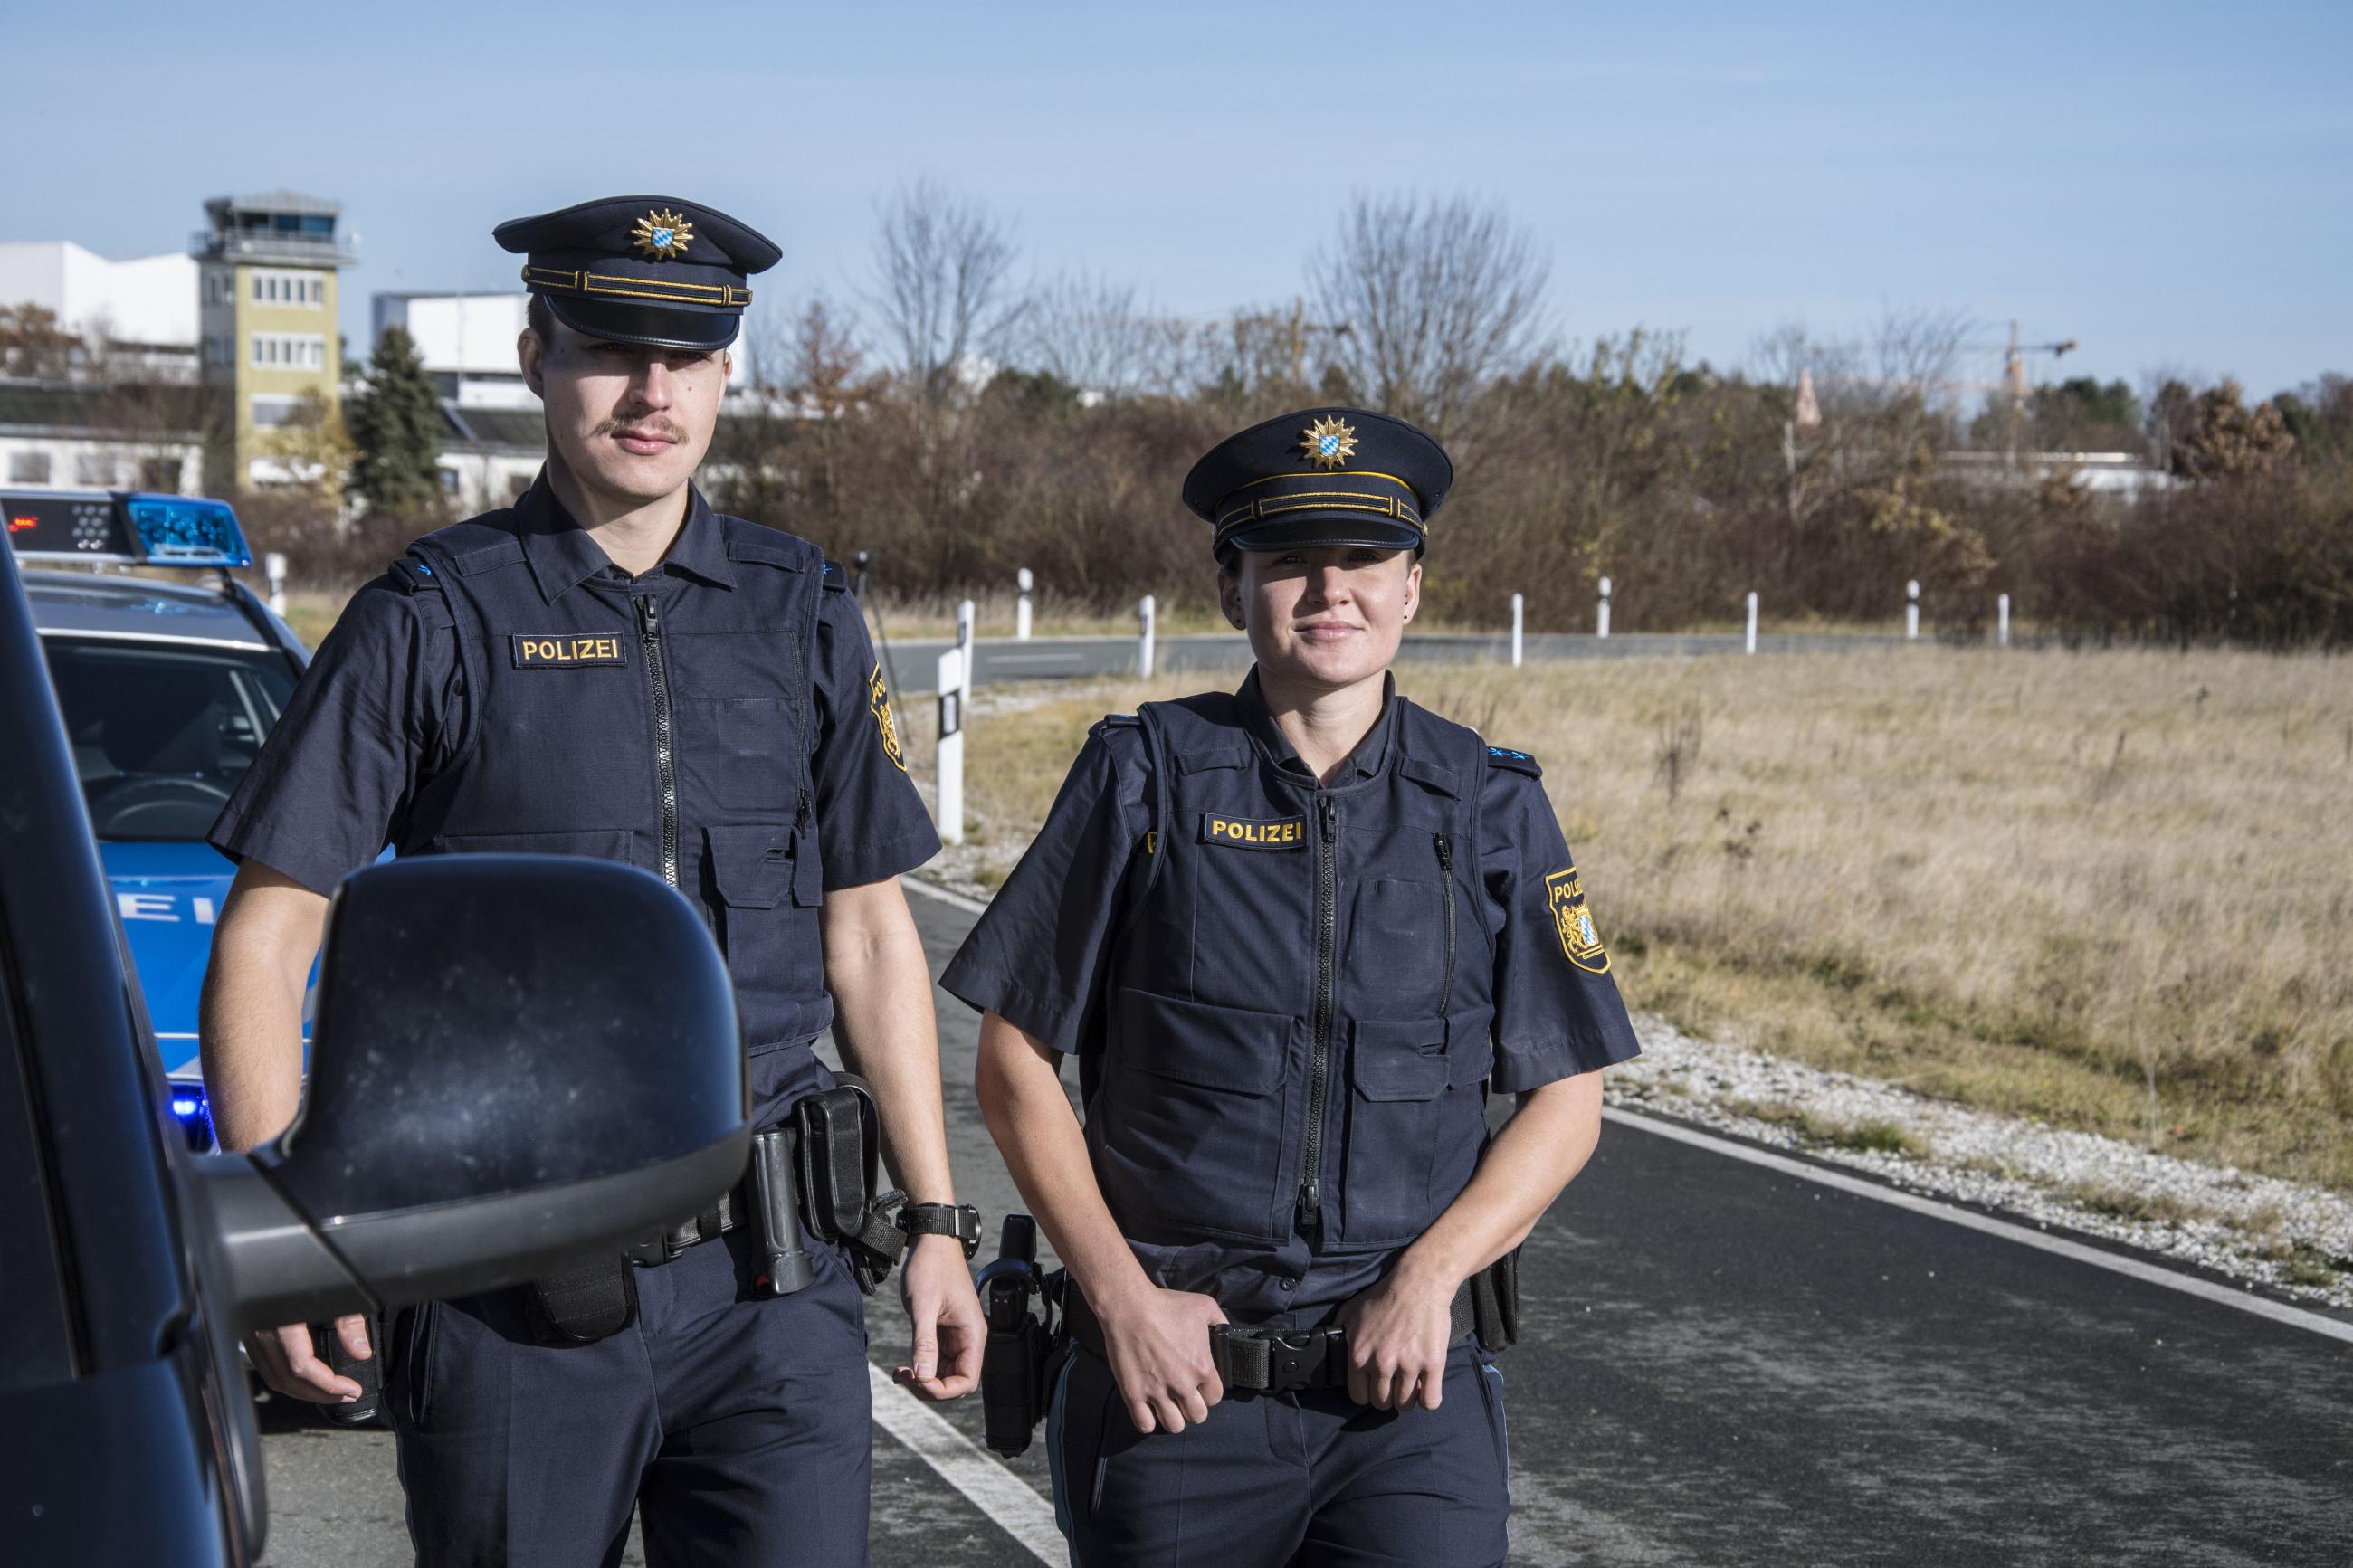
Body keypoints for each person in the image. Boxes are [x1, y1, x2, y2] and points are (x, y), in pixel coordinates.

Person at [200, 195, 984, 1567]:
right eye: (612, 349)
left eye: (687, 354)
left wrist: (933, 1220)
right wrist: (290, 1234)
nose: (650, 389)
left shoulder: (801, 607)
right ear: (535, 356)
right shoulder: (434, 612)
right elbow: (269, 936)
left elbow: (868, 934)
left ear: (729, 373)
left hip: (775, 1289)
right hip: (510, 1291)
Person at [948, 407, 1642, 1566]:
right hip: (1177, 1390)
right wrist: (1119, 1299)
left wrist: (1430, 1276)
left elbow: (1568, 1094)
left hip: (1405, 1397)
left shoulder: (1488, 803)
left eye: (1364, 559)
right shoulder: (1142, 777)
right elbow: (1013, 1055)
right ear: (1232, 590)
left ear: (1411, 587)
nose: (1331, 589)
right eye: (1287, 561)